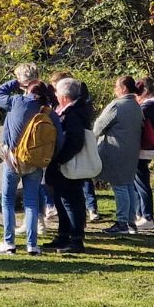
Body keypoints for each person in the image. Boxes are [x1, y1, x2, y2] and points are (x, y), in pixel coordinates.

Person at [0, 64, 63, 255]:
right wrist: (48, 158)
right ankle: (32, 245)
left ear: (24, 84)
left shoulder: (15, 101)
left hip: (13, 159)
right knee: (31, 203)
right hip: (36, 161)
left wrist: (18, 82)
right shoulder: (47, 110)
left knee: (8, 201)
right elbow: (59, 138)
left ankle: (9, 243)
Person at [94, 75, 144, 236]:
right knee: (128, 185)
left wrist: (91, 140)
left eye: (116, 86)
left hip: (116, 150)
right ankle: (130, 221)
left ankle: (122, 222)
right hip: (131, 150)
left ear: (123, 88)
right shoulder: (136, 106)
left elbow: (99, 125)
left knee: (120, 186)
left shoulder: (117, 105)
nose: (114, 89)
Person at [48, 77, 92, 254]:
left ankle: (76, 239)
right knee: (61, 199)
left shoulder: (73, 114)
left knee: (71, 201)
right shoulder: (70, 110)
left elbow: (75, 141)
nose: (55, 95)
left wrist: (59, 159)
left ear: (64, 96)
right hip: (62, 164)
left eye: (57, 92)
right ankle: (64, 235)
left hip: (67, 165)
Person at [136, 77, 154, 231]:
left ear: (145, 91)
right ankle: (141, 214)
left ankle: (147, 216)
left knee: (141, 182)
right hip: (146, 147)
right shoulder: (152, 105)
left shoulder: (148, 106)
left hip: (144, 148)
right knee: (139, 181)